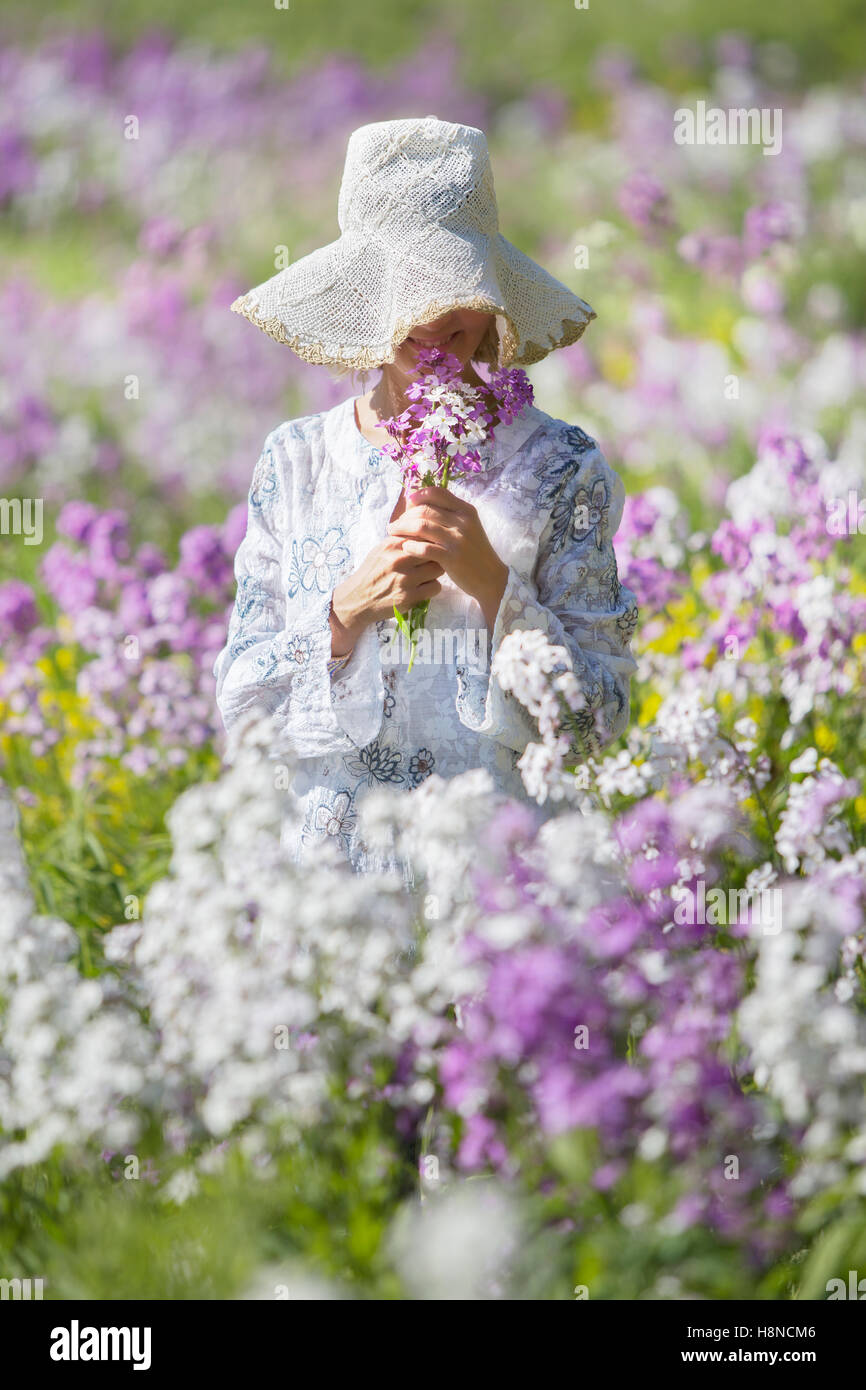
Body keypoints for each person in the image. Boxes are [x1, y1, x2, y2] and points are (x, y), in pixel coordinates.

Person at [214, 116, 638, 876]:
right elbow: (242, 715)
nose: (437, 323)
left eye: (460, 293)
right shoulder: (296, 460)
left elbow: (601, 724)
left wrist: (497, 590)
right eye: (410, 293)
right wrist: (342, 614)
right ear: (368, 296)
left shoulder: (561, 463)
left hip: (504, 893)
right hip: (330, 898)